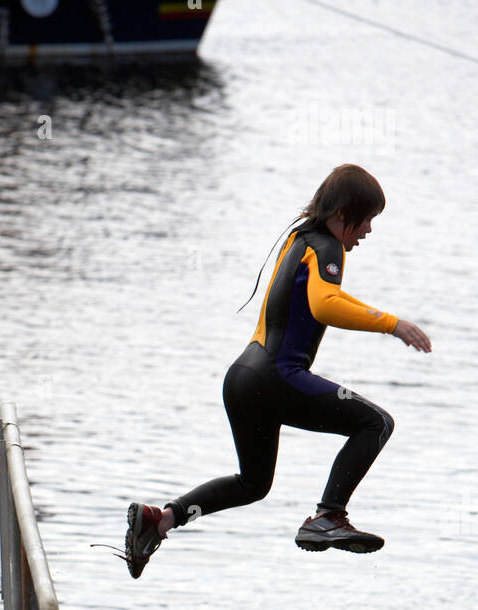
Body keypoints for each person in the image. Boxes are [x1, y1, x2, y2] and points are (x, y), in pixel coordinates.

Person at [125, 164, 431, 578]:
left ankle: (160, 520)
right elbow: (326, 304)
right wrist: (392, 324)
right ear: (343, 213)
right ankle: (328, 516)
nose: (368, 232)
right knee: (375, 423)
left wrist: (384, 317)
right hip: (276, 378)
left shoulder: (299, 238)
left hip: (243, 377)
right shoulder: (328, 247)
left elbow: (327, 296)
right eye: (367, 219)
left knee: (253, 483)